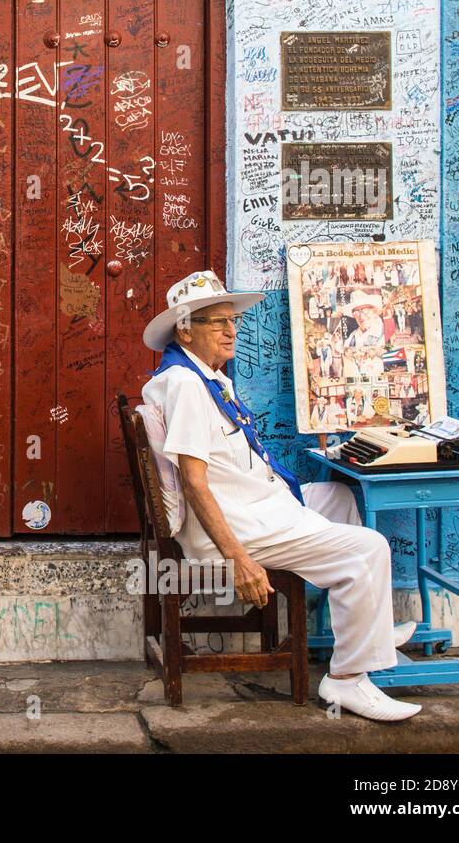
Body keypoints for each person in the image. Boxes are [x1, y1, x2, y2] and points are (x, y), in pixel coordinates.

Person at [140, 270, 420, 721]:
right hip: (239, 527)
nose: (232, 331)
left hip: (258, 505)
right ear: (185, 330)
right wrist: (238, 560)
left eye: (233, 321)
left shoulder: (199, 375)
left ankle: (367, 632)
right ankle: (348, 679)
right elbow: (194, 483)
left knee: (339, 497)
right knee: (370, 548)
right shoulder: (188, 387)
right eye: (217, 322)